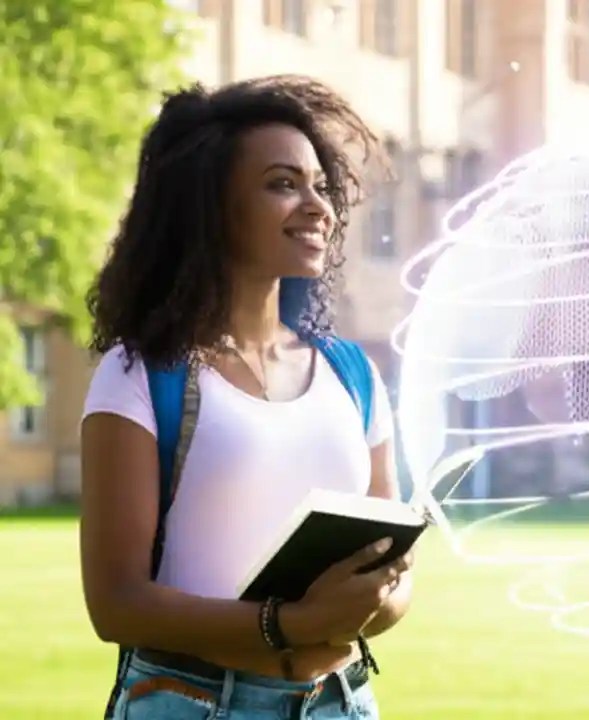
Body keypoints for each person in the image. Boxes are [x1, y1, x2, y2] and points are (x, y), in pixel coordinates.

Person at [79, 75, 412, 719]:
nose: (318, 206)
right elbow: (115, 603)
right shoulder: (142, 375)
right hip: (196, 704)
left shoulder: (354, 374)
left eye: (321, 185)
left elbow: (396, 573)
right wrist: (287, 623)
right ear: (211, 206)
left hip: (341, 703)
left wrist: (374, 603)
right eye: (283, 184)